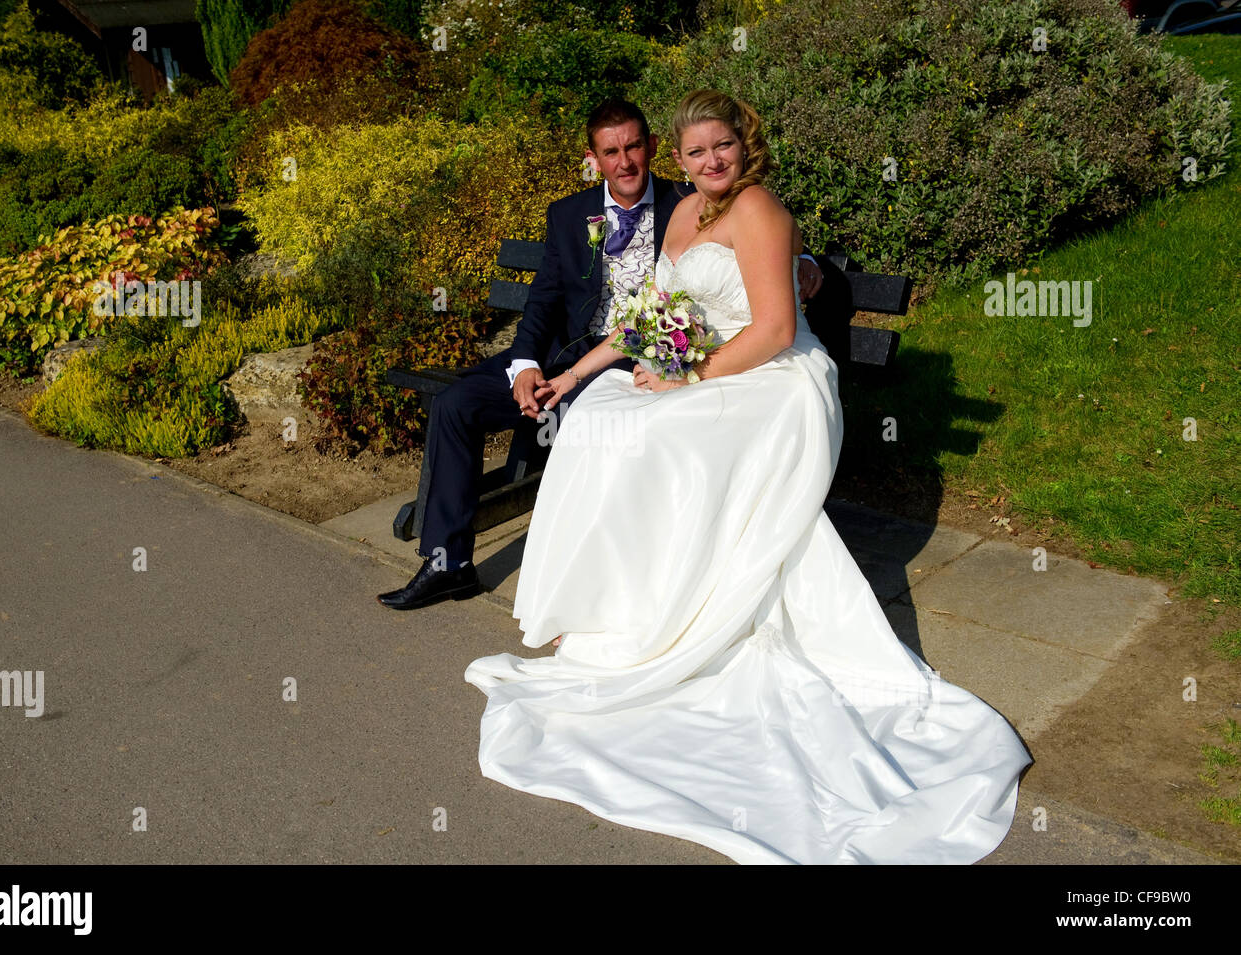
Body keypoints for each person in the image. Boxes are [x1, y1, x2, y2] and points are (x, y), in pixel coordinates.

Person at [464, 89, 1032, 865]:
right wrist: (573, 373)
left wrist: (687, 376)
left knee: (658, 436)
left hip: (776, 383)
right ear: (681, 159)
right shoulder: (684, 215)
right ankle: (615, 612)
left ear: (744, 142)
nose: (710, 162)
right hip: (709, 368)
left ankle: (669, 614)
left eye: (721, 147)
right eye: (695, 153)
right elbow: (648, 319)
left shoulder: (761, 210)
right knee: (599, 416)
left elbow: (771, 328)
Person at [377, 98, 825, 610]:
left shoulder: (692, 193)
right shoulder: (569, 214)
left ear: (656, 149)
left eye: (634, 146)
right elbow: (542, 300)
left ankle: (592, 589)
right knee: (456, 404)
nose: (625, 161)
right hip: (575, 354)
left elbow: (762, 231)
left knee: (593, 427)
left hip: (648, 357)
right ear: (593, 157)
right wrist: (526, 365)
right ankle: (447, 564)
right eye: (611, 152)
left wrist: (804, 258)